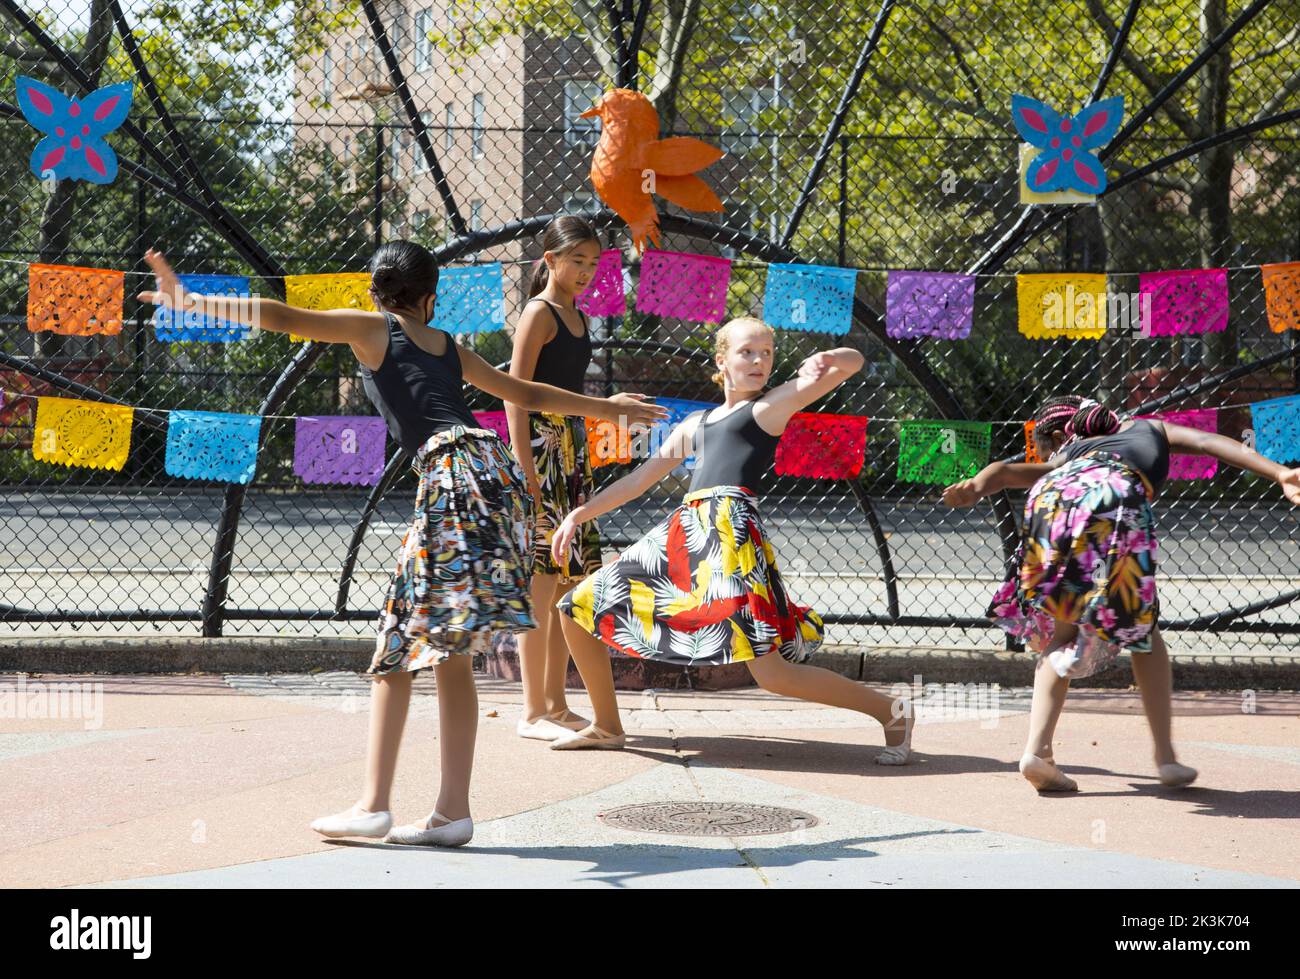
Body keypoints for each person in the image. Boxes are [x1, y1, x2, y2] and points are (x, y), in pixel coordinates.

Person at [137, 242, 666, 846]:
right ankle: (447, 813)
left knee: (403, 645)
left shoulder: (376, 329)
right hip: (493, 473)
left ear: (375, 293)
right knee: (442, 650)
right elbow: (530, 395)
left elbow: (283, 316)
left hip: (452, 476)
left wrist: (192, 300)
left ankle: (378, 806)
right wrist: (605, 406)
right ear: (431, 298)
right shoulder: (445, 344)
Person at [548, 317, 914, 762]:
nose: (759, 360)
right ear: (721, 361)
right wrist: (580, 514)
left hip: (732, 539)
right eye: (747, 352)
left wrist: (834, 358)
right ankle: (607, 725)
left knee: (774, 676)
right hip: (685, 536)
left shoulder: (768, 408)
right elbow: (640, 480)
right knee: (577, 606)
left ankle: (891, 712)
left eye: (767, 353)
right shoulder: (696, 423)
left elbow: (854, 364)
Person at [943, 395, 1300, 792]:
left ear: (1063, 433)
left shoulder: (1072, 452)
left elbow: (1006, 471)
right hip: (1114, 497)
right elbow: (1209, 443)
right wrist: (1279, 474)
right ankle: (1165, 758)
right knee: (1146, 636)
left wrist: (975, 487)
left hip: (1052, 498)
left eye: (1044, 446)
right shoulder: (1150, 428)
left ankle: (1037, 751)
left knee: (1060, 635)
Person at [506, 216, 605, 741]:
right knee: (540, 586)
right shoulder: (539, 314)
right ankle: (531, 710)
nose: (586, 271)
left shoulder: (578, 315)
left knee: (569, 583)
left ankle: (557, 703)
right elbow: (513, 394)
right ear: (549, 260)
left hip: (572, 454)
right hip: (542, 455)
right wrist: (527, 471)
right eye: (577, 261)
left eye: (593, 263)